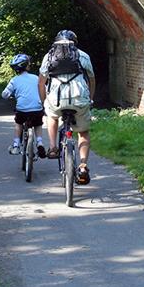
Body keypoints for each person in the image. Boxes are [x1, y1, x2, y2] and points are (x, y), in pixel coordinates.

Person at [37, 30, 94, 184]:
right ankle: (82, 166)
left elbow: (41, 82)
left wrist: (44, 102)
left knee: (51, 115)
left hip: (56, 99)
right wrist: (90, 98)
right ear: (74, 42)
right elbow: (91, 79)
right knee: (83, 132)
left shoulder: (49, 56)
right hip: (79, 99)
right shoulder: (82, 55)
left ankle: (54, 147)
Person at [1, 54, 46, 157]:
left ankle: (16, 145)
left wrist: (10, 95)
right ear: (27, 66)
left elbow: (4, 94)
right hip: (37, 108)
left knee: (18, 123)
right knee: (38, 123)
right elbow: (45, 89)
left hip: (22, 110)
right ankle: (39, 142)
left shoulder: (14, 80)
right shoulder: (35, 78)